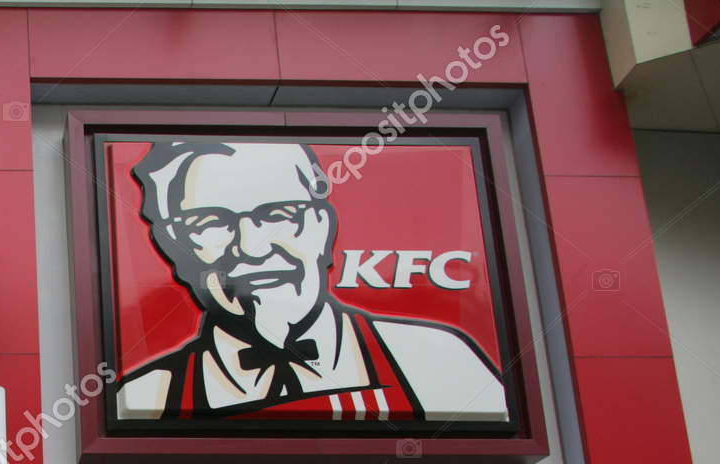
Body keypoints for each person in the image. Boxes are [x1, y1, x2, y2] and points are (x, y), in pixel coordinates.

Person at [117, 141, 508, 426]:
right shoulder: (146, 395)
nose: (252, 247)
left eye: (279, 214)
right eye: (210, 223)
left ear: (322, 226)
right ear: (172, 246)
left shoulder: (436, 362)